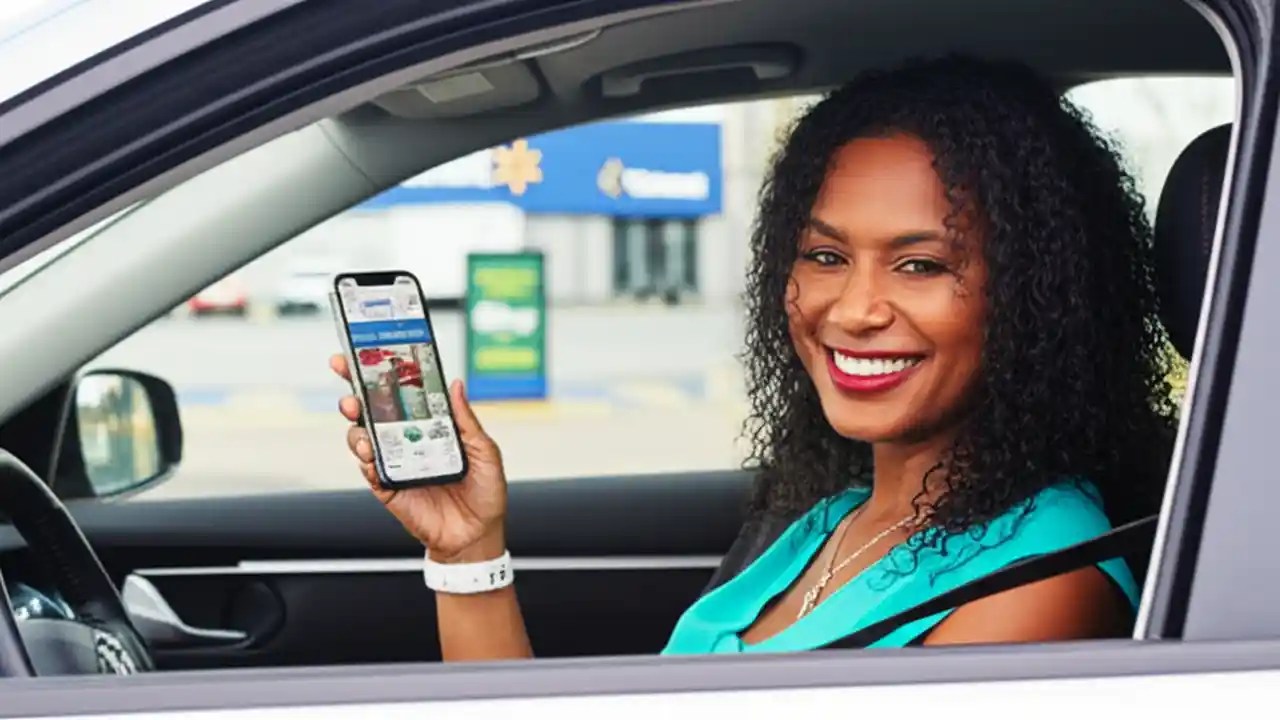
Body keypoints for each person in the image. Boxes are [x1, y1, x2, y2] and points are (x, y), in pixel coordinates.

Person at [329, 54, 1179, 657]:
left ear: (1034, 296)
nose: (852, 310)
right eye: (825, 256)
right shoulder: (825, 522)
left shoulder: (1043, 577)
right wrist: (468, 549)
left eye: (921, 264)